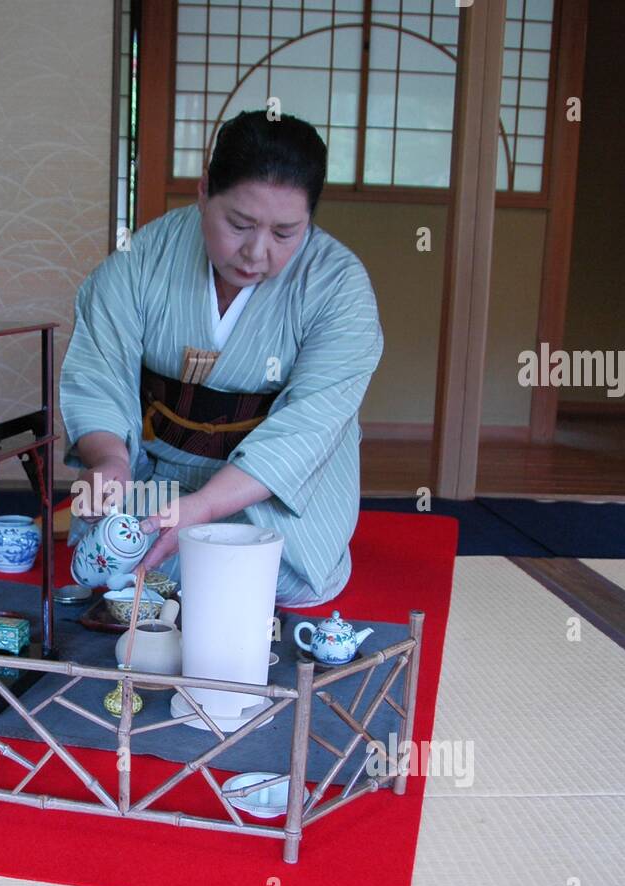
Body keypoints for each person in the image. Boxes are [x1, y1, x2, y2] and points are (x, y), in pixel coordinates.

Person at [58, 110, 384, 607]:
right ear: (205, 190)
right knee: (114, 545)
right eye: (239, 223)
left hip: (267, 493)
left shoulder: (338, 285)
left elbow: (311, 426)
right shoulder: (145, 256)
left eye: (284, 233)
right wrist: (109, 459)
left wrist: (205, 507)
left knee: (279, 573)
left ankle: (181, 561)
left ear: (310, 220)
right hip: (158, 471)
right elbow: (100, 369)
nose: (256, 252)